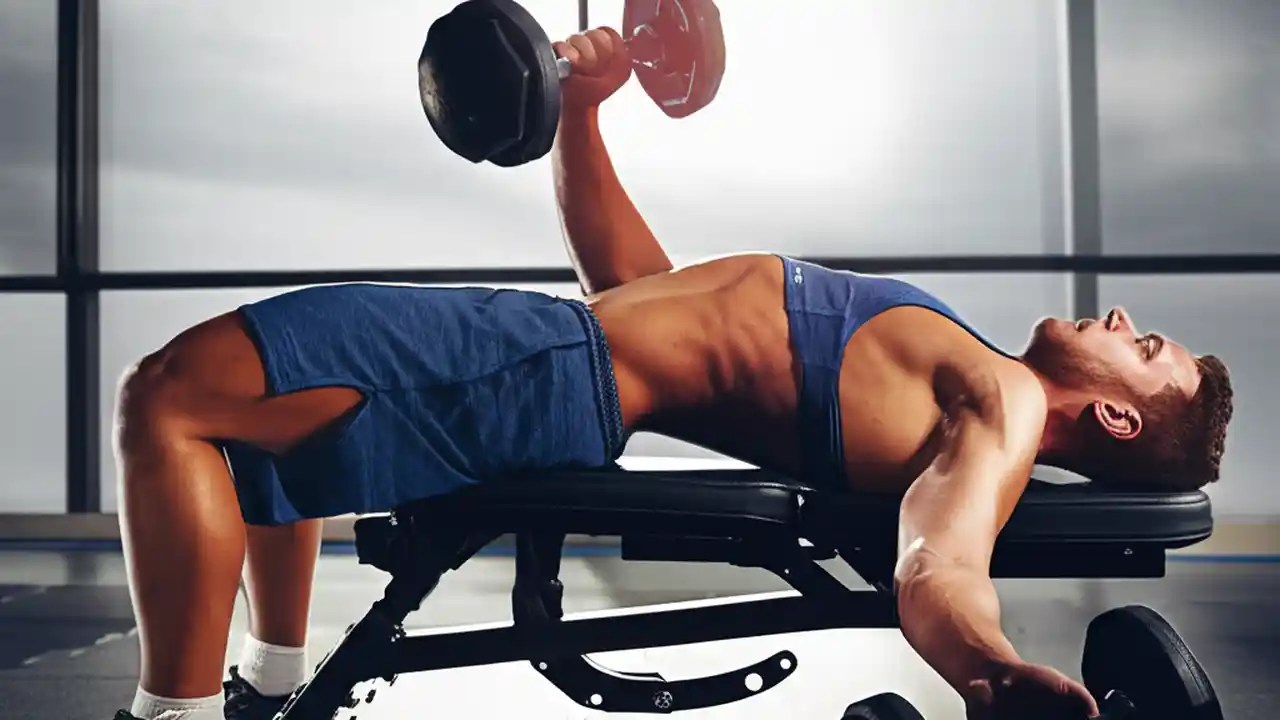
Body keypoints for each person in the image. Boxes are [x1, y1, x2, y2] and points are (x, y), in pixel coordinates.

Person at [110, 28, 1233, 720]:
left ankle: (176, 718)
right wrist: (581, 113)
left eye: (1143, 351)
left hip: (541, 365)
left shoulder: (1002, 404)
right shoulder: (956, 358)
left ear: (1114, 420)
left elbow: (939, 556)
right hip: (563, 353)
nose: (1122, 320)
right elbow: (637, 289)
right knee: (243, 420)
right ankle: (266, 685)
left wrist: (987, 671)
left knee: (168, 396)